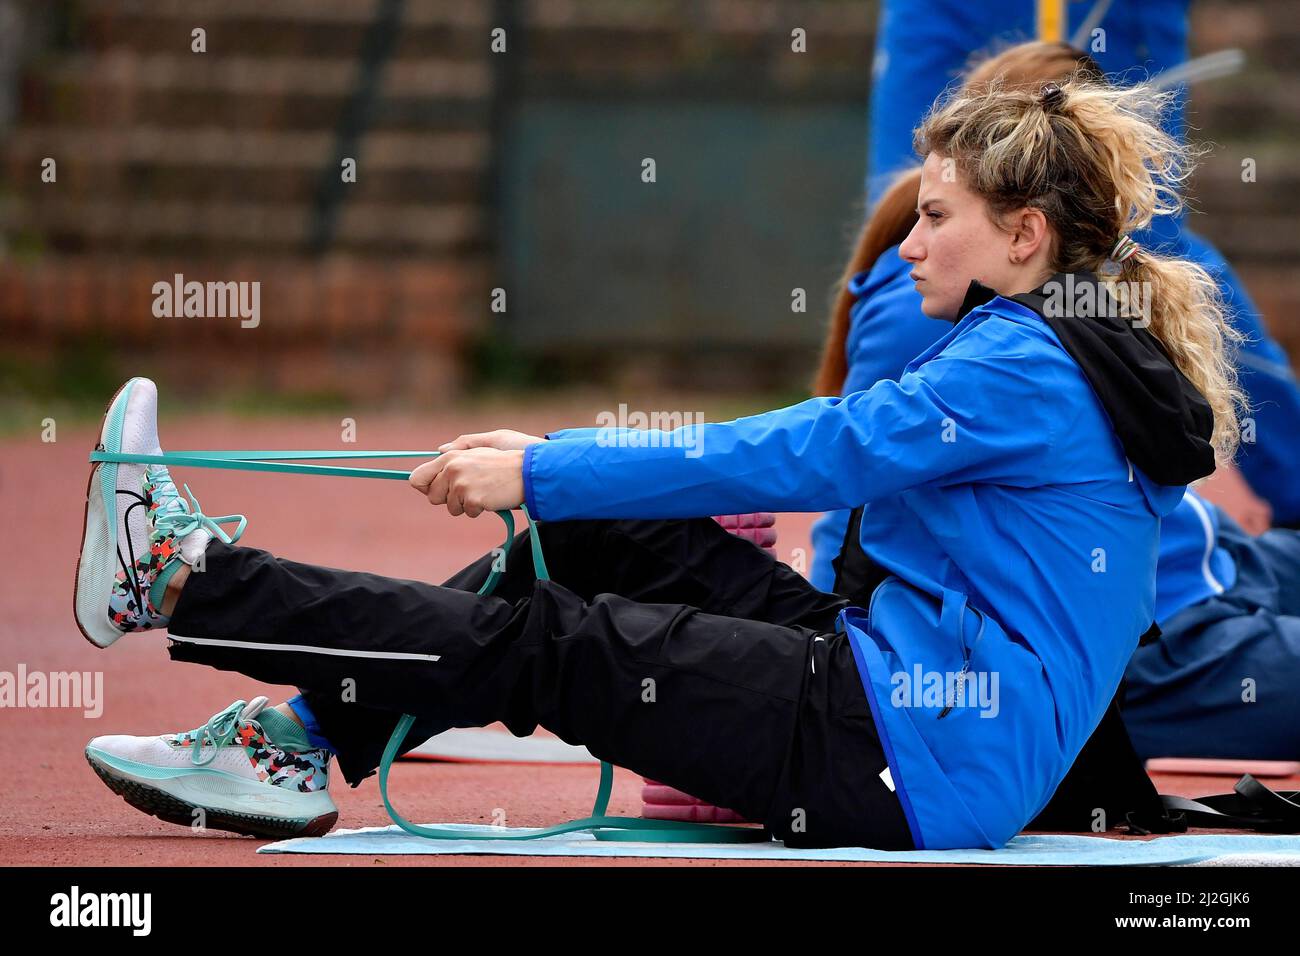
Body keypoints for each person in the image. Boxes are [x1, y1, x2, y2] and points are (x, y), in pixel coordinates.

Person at [76, 77, 1240, 850]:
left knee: (548, 647)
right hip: (897, 696)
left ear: (1023, 236)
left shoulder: (1026, 364)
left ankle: (179, 576)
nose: (912, 241)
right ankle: (301, 743)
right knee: (596, 543)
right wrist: (569, 486)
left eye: (935, 217)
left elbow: (814, 450)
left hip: (896, 750)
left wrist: (546, 468)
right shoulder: (1065, 342)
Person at [811, 41, 1300, 761]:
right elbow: (843, 472)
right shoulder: (937, 304)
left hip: (1195, 563)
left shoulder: (1068, 277)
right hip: (1150, 640)